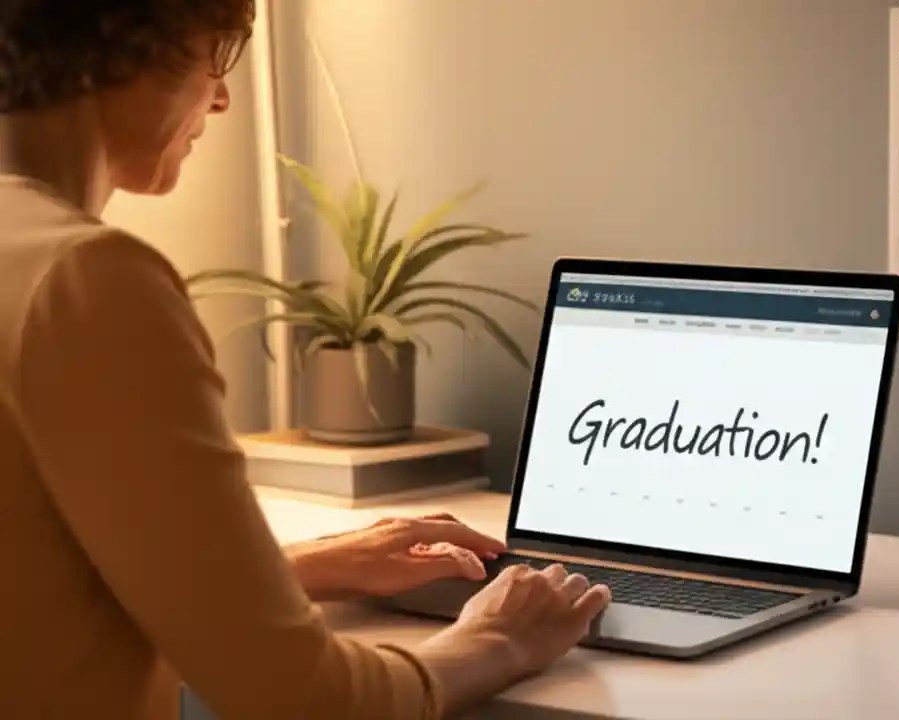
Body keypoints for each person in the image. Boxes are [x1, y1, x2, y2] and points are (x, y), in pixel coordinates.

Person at [0, 1, 610, 718]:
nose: (221, 96)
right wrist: (499, 639)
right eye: (218, 52)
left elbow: (39, 586)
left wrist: (295, 571)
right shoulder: (90, 282)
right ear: (135, 38)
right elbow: (304, 699)